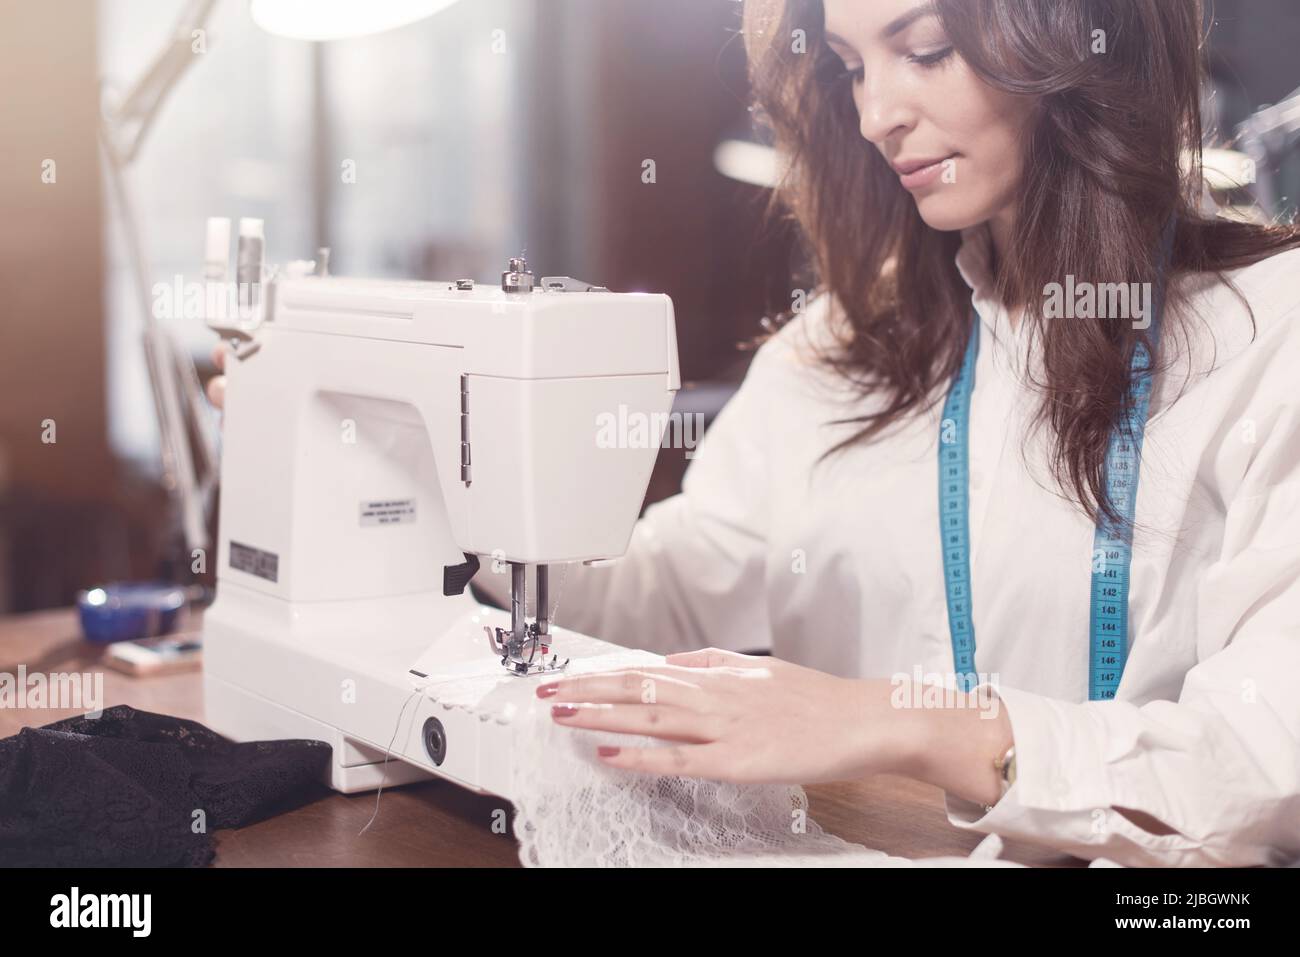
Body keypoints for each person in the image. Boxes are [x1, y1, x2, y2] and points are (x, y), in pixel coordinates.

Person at [209, 0, 1300, 866]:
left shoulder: (1271, 337)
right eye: (851, 67)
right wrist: (399, 471)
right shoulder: (843, 350)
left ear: (1071, 36)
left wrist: (904, 724)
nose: (877, 116)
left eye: (923, 48)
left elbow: (1262, 763)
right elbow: (668, 588)